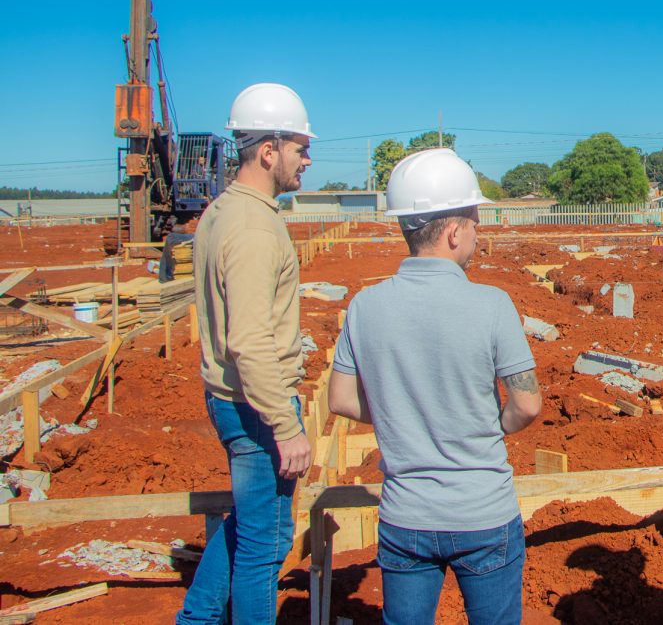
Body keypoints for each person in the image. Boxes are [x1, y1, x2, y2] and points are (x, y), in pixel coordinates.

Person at [329, 148, 541, 625]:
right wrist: (487, 425)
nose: (477, 234)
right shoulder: (492, 305)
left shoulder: (364, 307)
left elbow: (341, 400)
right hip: (483, 513)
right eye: (473, 222)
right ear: (452, 232)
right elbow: (526, 405)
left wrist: (399, 413)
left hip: (406, 518)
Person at [178, 83, 317, 625]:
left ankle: (197, 617)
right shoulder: (256, 227)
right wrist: (285, 424)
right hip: (255, 404)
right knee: (264, 547)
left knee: (256, 524)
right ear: (268, 150)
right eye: (300, 149)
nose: (306, 161)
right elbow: (251, 341)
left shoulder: (222, 211)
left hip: (232, 395)